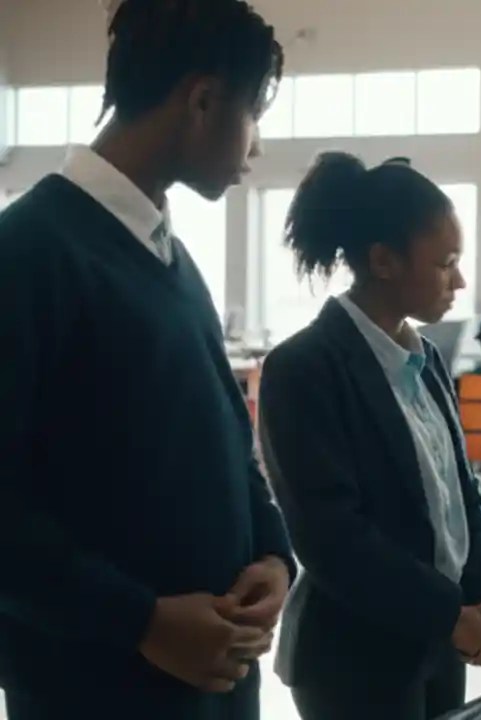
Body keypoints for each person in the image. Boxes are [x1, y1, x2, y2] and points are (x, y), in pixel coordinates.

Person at [0, 1, 294, 717]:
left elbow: (227, 437)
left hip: (210, 690)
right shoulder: (30, 253)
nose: (254, 149)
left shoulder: (168, 256)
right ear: (201, 101)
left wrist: (273, 555)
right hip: (94, 691)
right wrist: (140, 621)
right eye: (252, 115)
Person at [256, 152, 481, 720]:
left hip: (440, 644)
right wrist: (451, 614)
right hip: (354, 660)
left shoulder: (423, 359)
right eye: (446, 263)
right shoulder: (303, 368)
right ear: (383, 261)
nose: (460, 281)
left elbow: (459, 495)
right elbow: (331, 537)